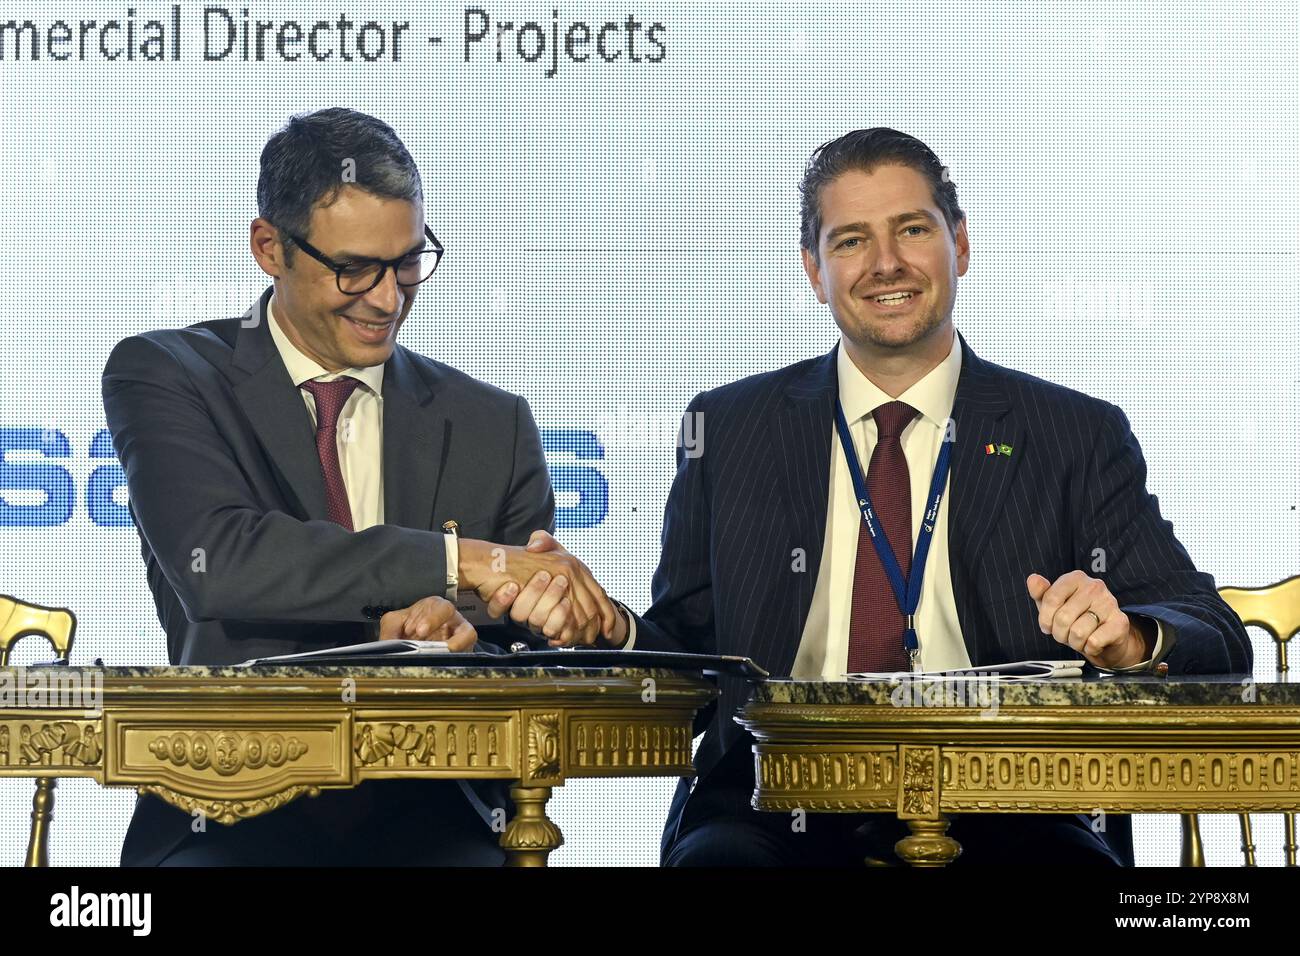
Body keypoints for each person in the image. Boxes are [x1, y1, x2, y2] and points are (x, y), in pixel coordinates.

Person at [523, 128, 1253, 865]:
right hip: (775, 795)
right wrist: (610, 626)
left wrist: (1130, 637)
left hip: (1008, 794)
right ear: (814, 270)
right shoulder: (731, 428)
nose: (885, 264)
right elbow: (690, 656)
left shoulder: (1073, 432)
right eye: (850, 241)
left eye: (911, 229)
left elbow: (1213, 631)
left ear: (959, 244)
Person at [103, 107, 626, 866]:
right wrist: (457, 562)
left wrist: (460, 637)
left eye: (408, 262)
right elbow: (222, 562)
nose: (387, 298)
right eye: (354, 268)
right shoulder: (171, 374)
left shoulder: (492, 423)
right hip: (227, 810)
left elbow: (520, 661)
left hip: (432, 816)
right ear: (268, 247)